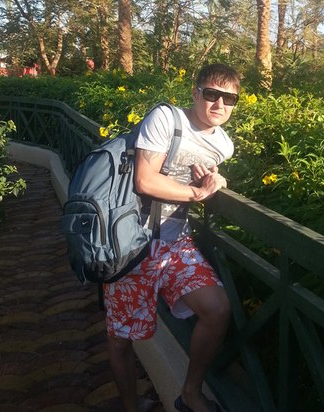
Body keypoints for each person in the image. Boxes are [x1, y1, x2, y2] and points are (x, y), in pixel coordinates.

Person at [103, 63, 241, 412]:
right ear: (195, 93)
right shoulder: (166, 118)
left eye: (229, 98)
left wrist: (217, 181)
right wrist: (198, 193)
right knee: (121, 339)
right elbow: (145, 180)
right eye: (212, 94)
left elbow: (206, 179)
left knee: (217, 309)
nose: (219, 104)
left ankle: (190, 393)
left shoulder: (224, 145)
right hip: (131, 243)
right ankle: (130, 406)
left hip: (175, 242)